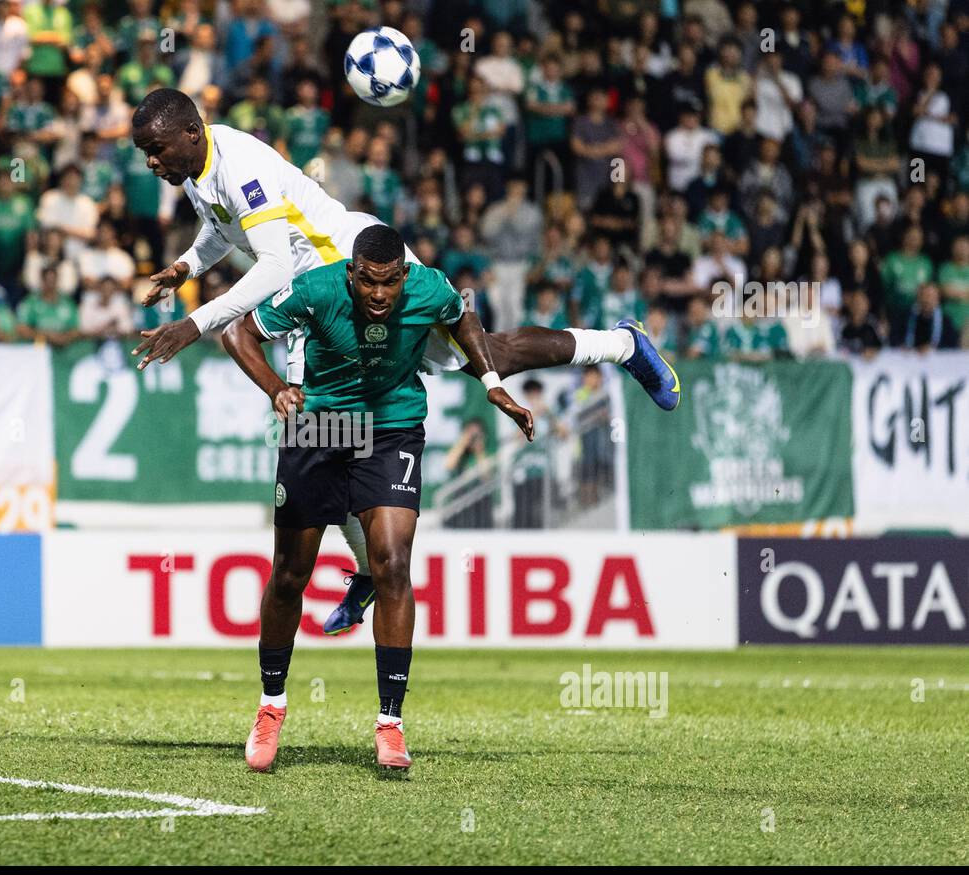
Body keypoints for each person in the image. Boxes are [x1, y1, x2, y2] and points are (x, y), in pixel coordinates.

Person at [127, 88, 680, 635]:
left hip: (353, 270)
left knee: (487, 358)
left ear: (190, 131)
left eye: (155, 149)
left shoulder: (240, 163)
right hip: (320, 294)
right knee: (326, 431)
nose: (151, 161)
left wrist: (194, 323)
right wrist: (185, 268)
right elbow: (224, 228)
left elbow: (271, 264)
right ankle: (369, 570)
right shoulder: (200, 167)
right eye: (144, 152)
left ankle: (624, 346)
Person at [221, 224, 533, 771]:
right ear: (352, 272)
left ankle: (391, 722)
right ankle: (271, 706)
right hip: (317, 430)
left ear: (403, 275)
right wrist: (277, 388)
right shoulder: (316, 289)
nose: (379, 295)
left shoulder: (431, 287)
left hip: (391, 430)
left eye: (389, 283)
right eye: (368, 282)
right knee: (291, 573)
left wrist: (493, 385)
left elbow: (465, 320)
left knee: (391, 565)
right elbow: (236, 334)